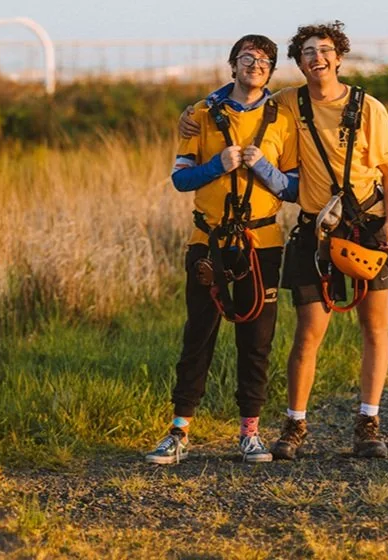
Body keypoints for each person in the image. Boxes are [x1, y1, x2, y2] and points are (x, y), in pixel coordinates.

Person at [179, 21, 388, 459]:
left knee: (374, 327)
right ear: (298, 63)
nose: (316, 58)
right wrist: (193, 112)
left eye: (324, 50)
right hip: (313, 230)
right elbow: (237, 99)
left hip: (369, 224)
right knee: (307, 332)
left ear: (339, 56)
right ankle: (295, 425)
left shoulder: (369, 107)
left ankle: (368, 422)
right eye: (306, 52)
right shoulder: (287, 104)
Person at [146, 34, 299, 465]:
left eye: (264, 60)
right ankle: (179, 431)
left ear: (271, 71)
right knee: (198, 336)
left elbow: (294, 188)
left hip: (262, 244)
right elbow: (180, 179)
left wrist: (261, 167)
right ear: (232, 65)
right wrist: (219, 165)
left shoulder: (283, 118)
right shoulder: (200, 114)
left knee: (257, 340)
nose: (255, 65)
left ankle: (250, 432)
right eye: (247, 58)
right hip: (208, 242)